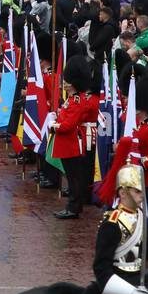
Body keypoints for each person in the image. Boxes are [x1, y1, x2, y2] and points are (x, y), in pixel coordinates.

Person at [82, 163, 148, 294]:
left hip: (138, 278)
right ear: (123, 193)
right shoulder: (112, 224)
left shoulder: (141, 216)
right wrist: (131, 293)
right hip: (116, 283)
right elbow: (101, 268)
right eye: (137, 191)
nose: (142, 195)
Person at [48, 56, 100, 219]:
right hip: (67, 143)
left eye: (67, 81)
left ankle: (74, 207)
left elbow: (69, 125)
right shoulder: (71, 100)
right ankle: (73, 204)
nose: (64, 83)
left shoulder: (77, 101)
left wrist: (54, 126)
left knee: (74, 178)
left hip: (71, 143)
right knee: (72, 177)